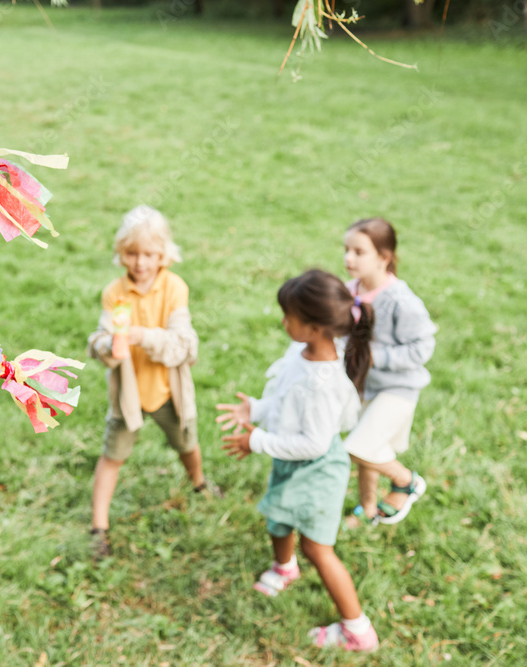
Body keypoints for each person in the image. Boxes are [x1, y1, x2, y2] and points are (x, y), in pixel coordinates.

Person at [216, 269, 378, 652]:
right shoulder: (302, 354)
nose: (283, 322)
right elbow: (285, 401)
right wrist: (256, 409)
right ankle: (284, 567)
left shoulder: (323, 384)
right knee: (278, 517)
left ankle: (357, 631)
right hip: (292, 459)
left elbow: (314, 444)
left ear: (316, 328)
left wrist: (257, 440)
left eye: (289, 316)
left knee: (317, 548)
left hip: (317, 470)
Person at [86, 205, 212, 559]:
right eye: (132, 253)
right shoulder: (115, 292)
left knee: (187, 442)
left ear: (163, 254)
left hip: (168, 391)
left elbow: (184, 345)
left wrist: (143, 336)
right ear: (120, 252)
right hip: (129, 396)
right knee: (112, 455)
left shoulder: (174, 288)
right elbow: (99, 340)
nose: (140, 262)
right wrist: (107, 347)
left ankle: (200, 483)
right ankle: (99, 527)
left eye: (149, 254)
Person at [342, 218, 437, 526]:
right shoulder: (349, 291)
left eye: (359, 252)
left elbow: (422, 348)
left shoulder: (401, 301)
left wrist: (373, 357)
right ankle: (367, 510)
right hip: (363, 385)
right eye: (346, 249)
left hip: (397, 388)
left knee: (357, 447)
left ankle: (406, 481)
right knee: (369, 449)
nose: (348, 258)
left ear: (384, 257)